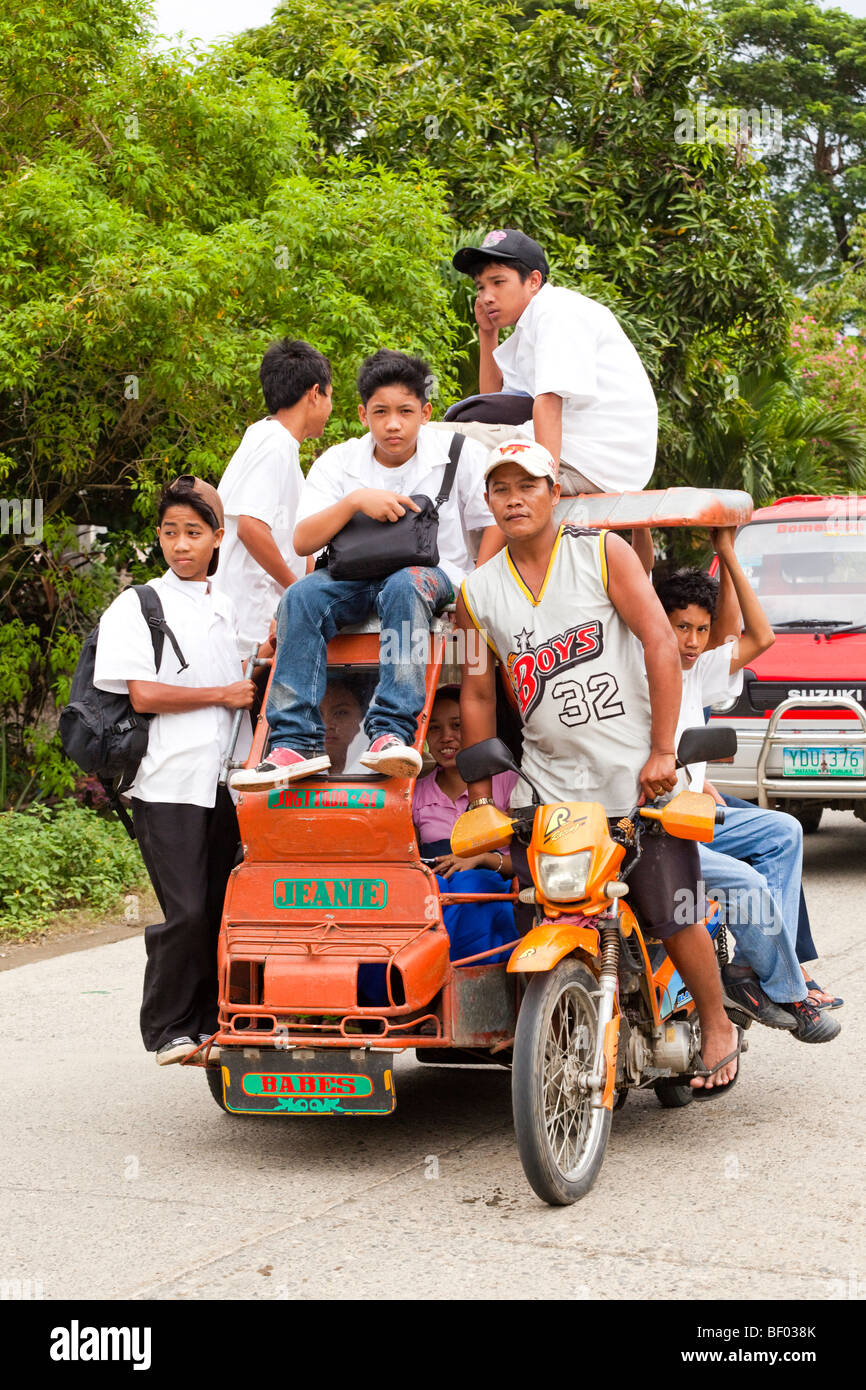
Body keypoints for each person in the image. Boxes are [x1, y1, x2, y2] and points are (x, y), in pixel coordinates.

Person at [457, 439, 743, 1095]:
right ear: (489, 502)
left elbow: (658, 641)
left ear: (553, 493)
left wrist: (664, 750)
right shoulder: (476, 594)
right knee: (541, 912)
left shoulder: (600, 553)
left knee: (671, 906)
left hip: (637, 777)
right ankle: (562, 1034)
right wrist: (478, 796)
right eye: (500, 488)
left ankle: (716, 1017)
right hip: (551, 791)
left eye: (526, 485)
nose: (514, 498)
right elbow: (476, 691)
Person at [231, 349, 502, 790]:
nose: (392, 424)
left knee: (404, 585)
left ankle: (392, 732)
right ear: (362, 414)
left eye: (404, 411)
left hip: (431, 577)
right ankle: (293, 743)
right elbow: (303, 541)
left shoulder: (458, 453)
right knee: (299, 597)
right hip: (351, 579)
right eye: (380, 412)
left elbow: (490, 525)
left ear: (425, 412)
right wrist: (356, 501)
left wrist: (476, 591)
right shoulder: (339, 462)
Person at [93, 476, 271, 1065]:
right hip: (167, 781)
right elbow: (142, 694)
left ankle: (211, 1023)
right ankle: (168, 1025)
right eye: (170, 532)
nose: (180, 544)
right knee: (187, 908)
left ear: (219, 538)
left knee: (222, 907)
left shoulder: (224, 606)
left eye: (193, 532)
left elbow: (246, 690)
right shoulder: (139, 604)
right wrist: (221, 693)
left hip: (224, 783)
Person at [656, 541, 841, 1044]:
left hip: (696, 810)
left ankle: (746, 970)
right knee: (748, 886)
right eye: (681, 628)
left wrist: (728, 553)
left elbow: (758, 636)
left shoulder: (695, 670)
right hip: (658, 824)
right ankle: (789, 988)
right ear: (657, 624)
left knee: (783, 829)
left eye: (700, 629)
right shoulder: (643, 667)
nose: (692, 641)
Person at [213, 338, 333, 652]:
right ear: (315, 394)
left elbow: (296, 545)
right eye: (330, 396)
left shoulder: (273, 441)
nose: (330, 409)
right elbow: (251, 528)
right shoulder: (273, 443)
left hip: (254, 621)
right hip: (245, 622)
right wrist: (299, 595)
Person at [414, 686, 518, 961]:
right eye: (434, 728)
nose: (446, 736)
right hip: (435, 883)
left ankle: (462, 977)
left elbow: (528, 861)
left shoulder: (506, 781)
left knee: (468, 887)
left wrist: (481, 858)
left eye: (458, 726)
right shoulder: (415, 792)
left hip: (492, 884)